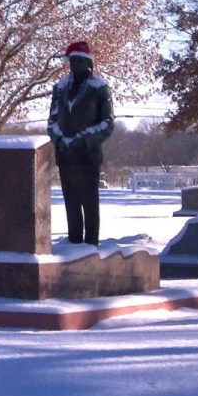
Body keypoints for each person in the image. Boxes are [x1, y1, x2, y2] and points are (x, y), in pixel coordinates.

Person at [47, 40, 114, 245]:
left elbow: (107, 123)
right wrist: (59, 139)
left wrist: (83, 140)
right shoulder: (59, 88)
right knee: (71, 203)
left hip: (88, 156)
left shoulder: (100, 88)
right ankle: (74, 243)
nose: (73, 65)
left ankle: (91, 244)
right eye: (71, 61)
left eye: (78, 61)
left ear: (88, 63)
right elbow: (52, 120)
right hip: (66, 155)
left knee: (89, 202)